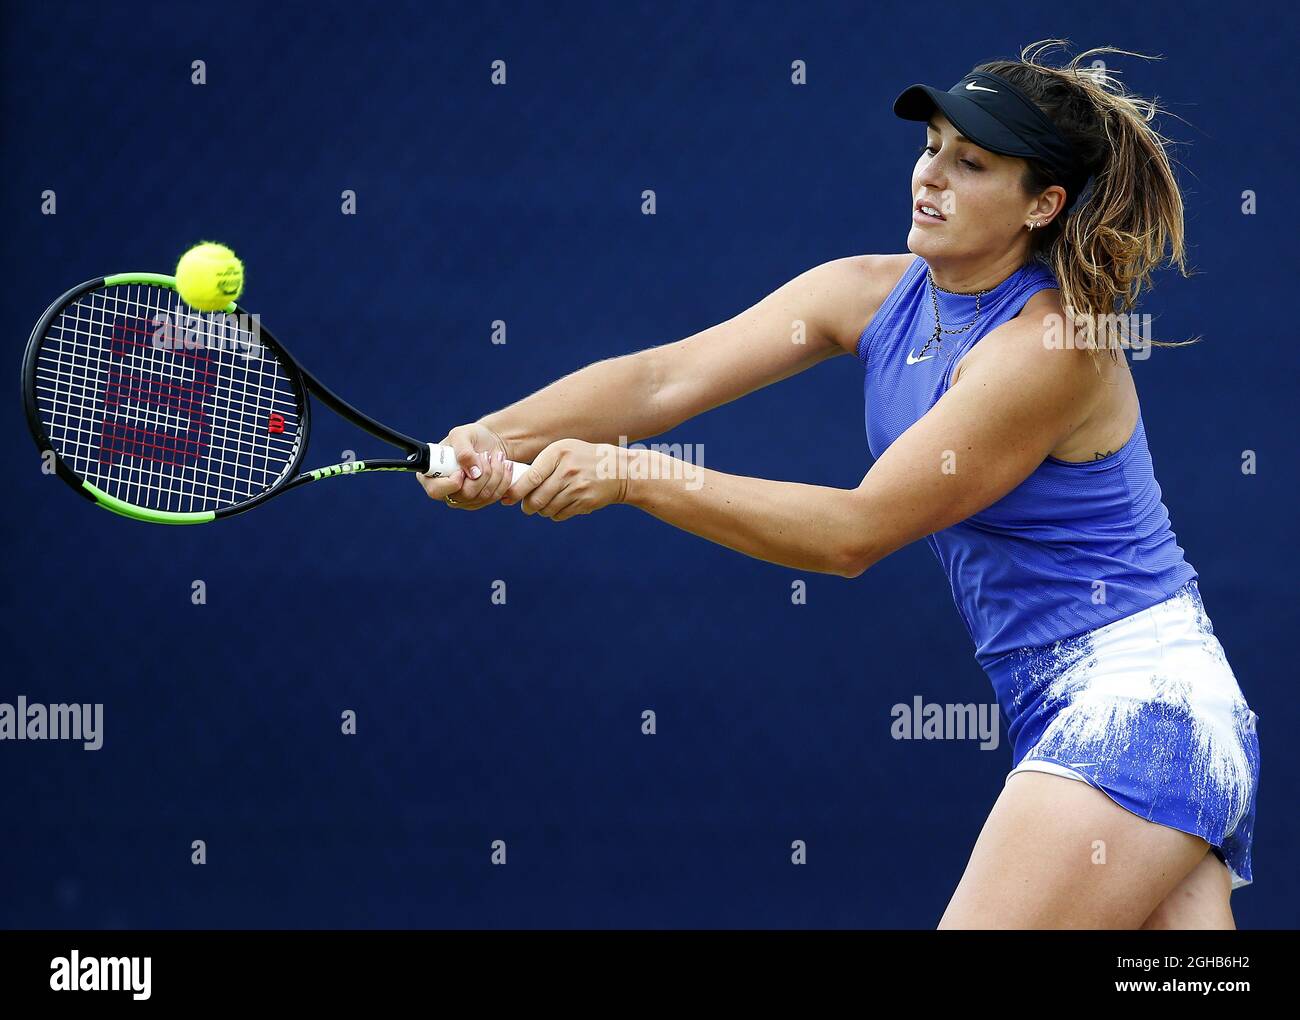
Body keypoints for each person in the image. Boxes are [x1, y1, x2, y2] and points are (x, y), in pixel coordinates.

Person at [416, 40, 1260, 929]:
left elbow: (852, 534)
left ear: (1042, 206)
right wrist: (489, 437)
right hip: (1120, 710)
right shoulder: (868, 293)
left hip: (1140, 709)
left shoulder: (1045, 354)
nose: (930, 176)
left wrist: (630, 473)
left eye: (971, 163)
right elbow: (660, 379)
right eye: (931, 146)